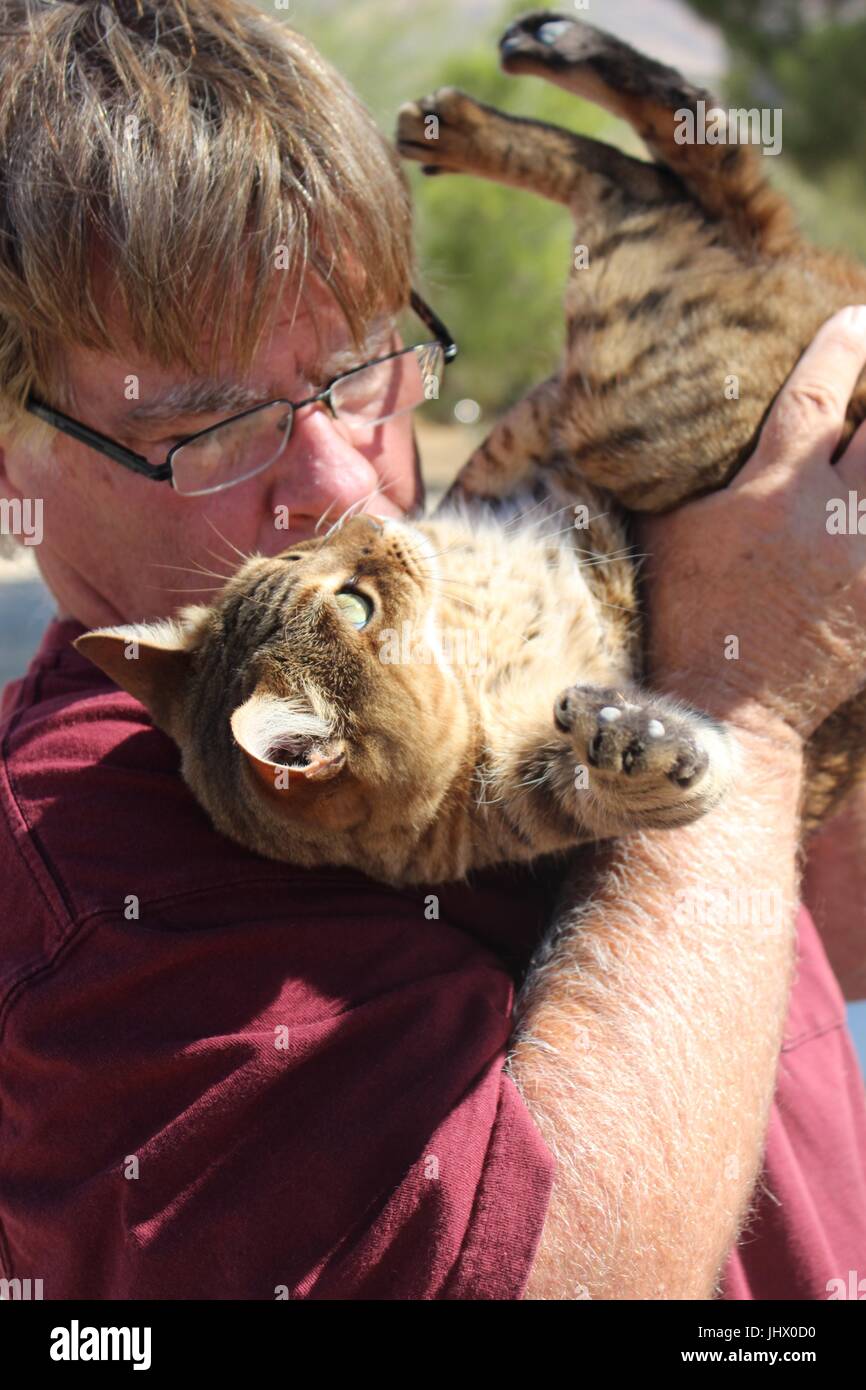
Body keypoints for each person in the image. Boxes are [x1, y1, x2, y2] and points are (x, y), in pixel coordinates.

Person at [0, 0, 864, 1301]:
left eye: (360, 372)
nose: (345, 487)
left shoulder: (455, 602)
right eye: (212, 428)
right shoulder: (90, 865)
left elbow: (790, 961)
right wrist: (742, 705)